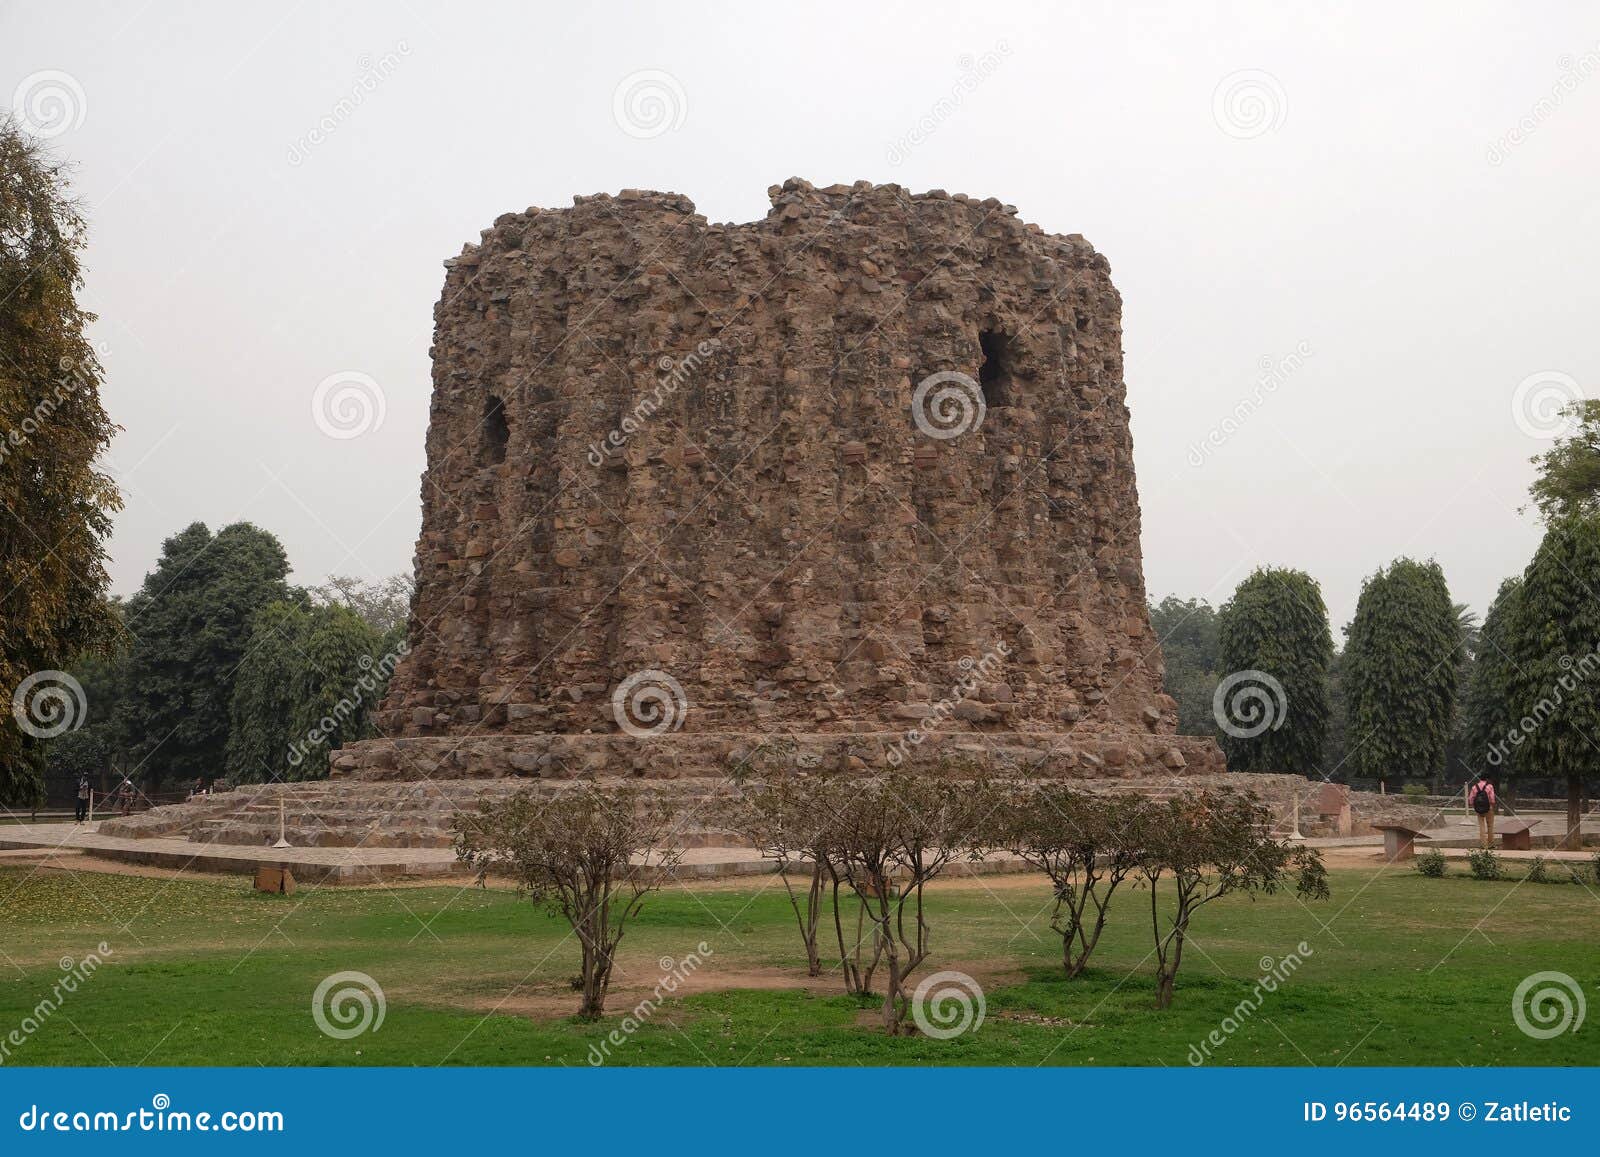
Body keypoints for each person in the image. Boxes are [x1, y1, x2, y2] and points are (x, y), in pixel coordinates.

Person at [1468, 774, 1497, 848]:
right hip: (1489, 808)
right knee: (1490, 826)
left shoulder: (1474, 787)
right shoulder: (1490, 786)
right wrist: (1492, 805)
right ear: (1487, 779)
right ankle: (1491, 844)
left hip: (1479, 809)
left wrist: (1473, 805)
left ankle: (1483, 844)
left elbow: (1471, 799)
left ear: (1480, 778)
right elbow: (1492, 798)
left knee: (1481, 826)